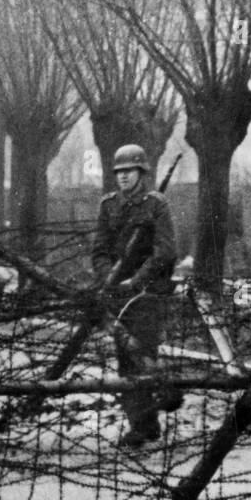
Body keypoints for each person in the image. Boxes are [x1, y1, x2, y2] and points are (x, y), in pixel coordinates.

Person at [91, 144, 180, 447]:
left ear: (142, 172)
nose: (123, 177)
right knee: (125, 360)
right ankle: (142, 423)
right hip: (118, 292)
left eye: (129, 171)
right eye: (119, 173)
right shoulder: (109, 205)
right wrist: (110, 278)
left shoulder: (156, 205)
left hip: (148, 292)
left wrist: (136, 280)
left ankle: (145, 422)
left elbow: (166, 252)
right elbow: (99, 250)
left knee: (143, 352)